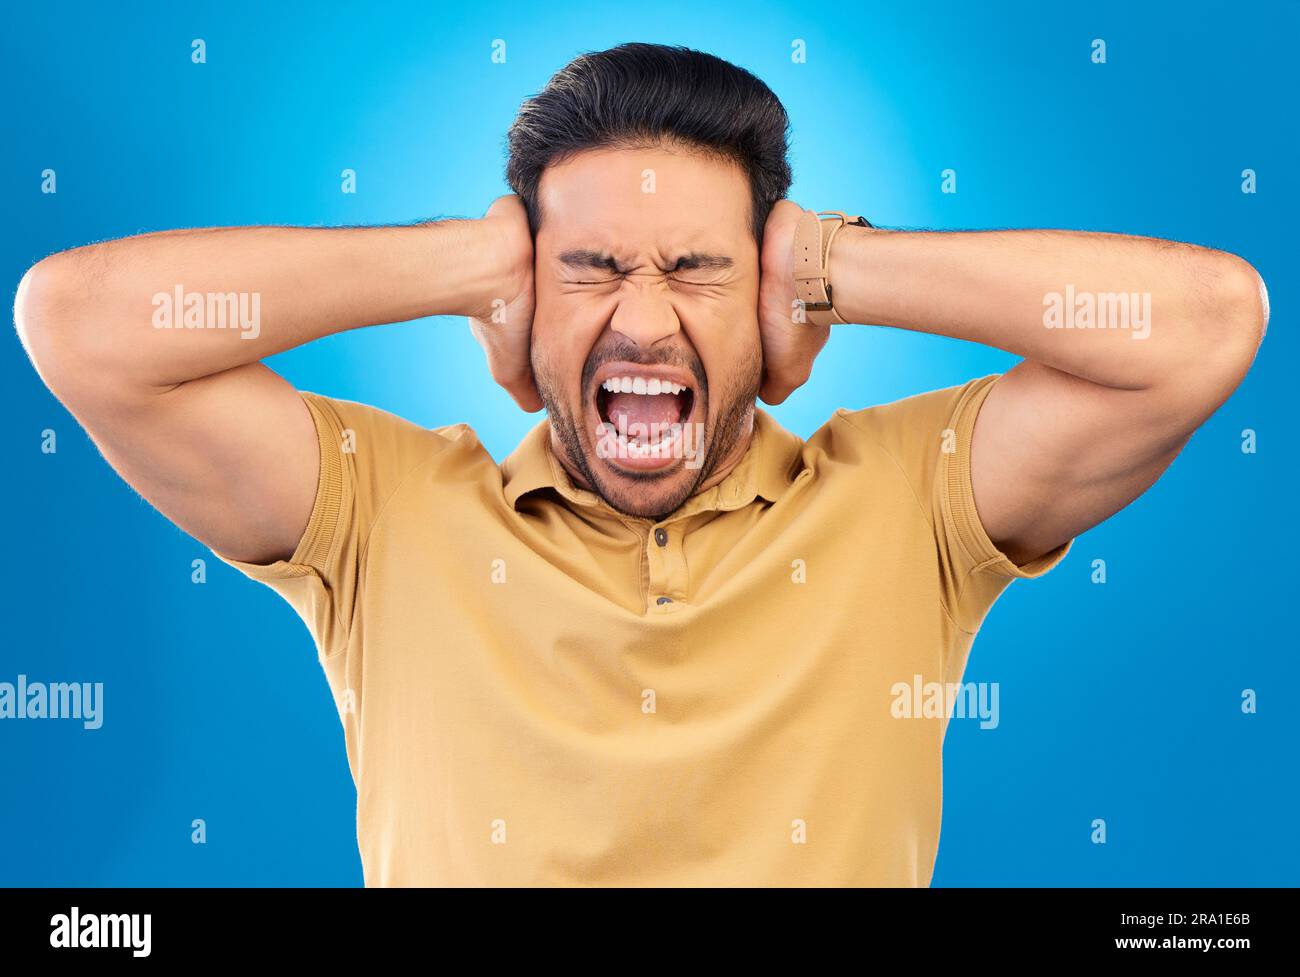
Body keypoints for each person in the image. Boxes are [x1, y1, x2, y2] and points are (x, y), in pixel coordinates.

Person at [14, 43, 1267, 886]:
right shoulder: (378, 513)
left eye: (699, 269)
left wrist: (831, 265)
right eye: (593, 269)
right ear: (524, 297)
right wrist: (459, 261)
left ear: (769, 297)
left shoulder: (911, 500)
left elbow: (1204, 327)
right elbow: (79, 325)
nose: (648, 319)